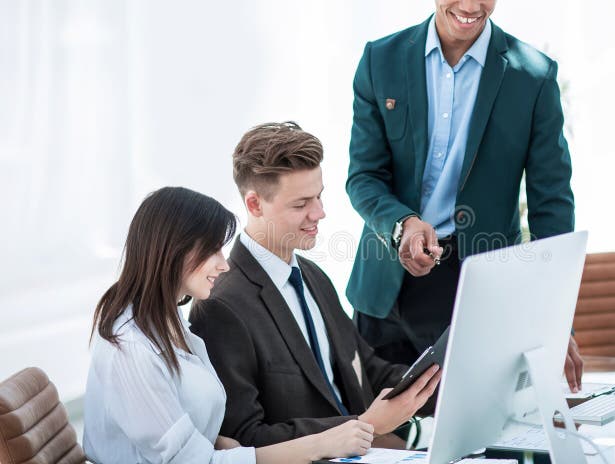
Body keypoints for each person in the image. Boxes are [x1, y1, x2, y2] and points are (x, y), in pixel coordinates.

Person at [345, 0, 584, 391]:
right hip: (381, 290)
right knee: (377, 440)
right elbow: (364, 177)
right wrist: (402, 223)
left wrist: (555, 320)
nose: (472, 6)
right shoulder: (380, 59)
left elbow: (552, 208)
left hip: (470, 292)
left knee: (470, 442)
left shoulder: (534, 78)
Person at [189, 122, 440, 447]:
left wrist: (445, 383)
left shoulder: (313, 276)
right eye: (301, 204)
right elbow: (245, 438)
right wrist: (365, 426)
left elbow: (368, 370)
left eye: (319, 196)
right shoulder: (220, 306)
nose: (319, 213)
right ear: (254, 205)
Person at [83, 186, 373, 464]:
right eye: (213, 252)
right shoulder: (131, 347)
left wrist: (216, 441)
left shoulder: (166, 320)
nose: (224, 265)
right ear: (174, 250)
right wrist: (319, 444)